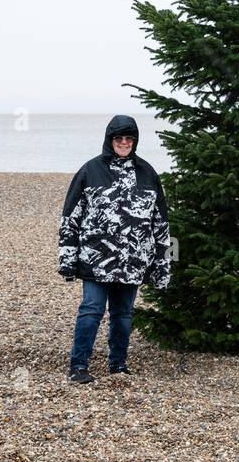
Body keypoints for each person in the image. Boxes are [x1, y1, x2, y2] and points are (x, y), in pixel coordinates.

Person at [58, 114, 171, 383]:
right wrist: (67, 260)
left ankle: (118, 365)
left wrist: (162, 267)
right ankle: (78, 366)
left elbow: (161, 225)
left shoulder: (147, 173)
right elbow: (70, 218)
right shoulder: (90, 170)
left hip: (133, 262)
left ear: (135, 140)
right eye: (118, 138)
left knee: (122, 316)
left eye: (128, 138)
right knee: (91, 310)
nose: (123, 142)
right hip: (96, 260)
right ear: (110, 140)